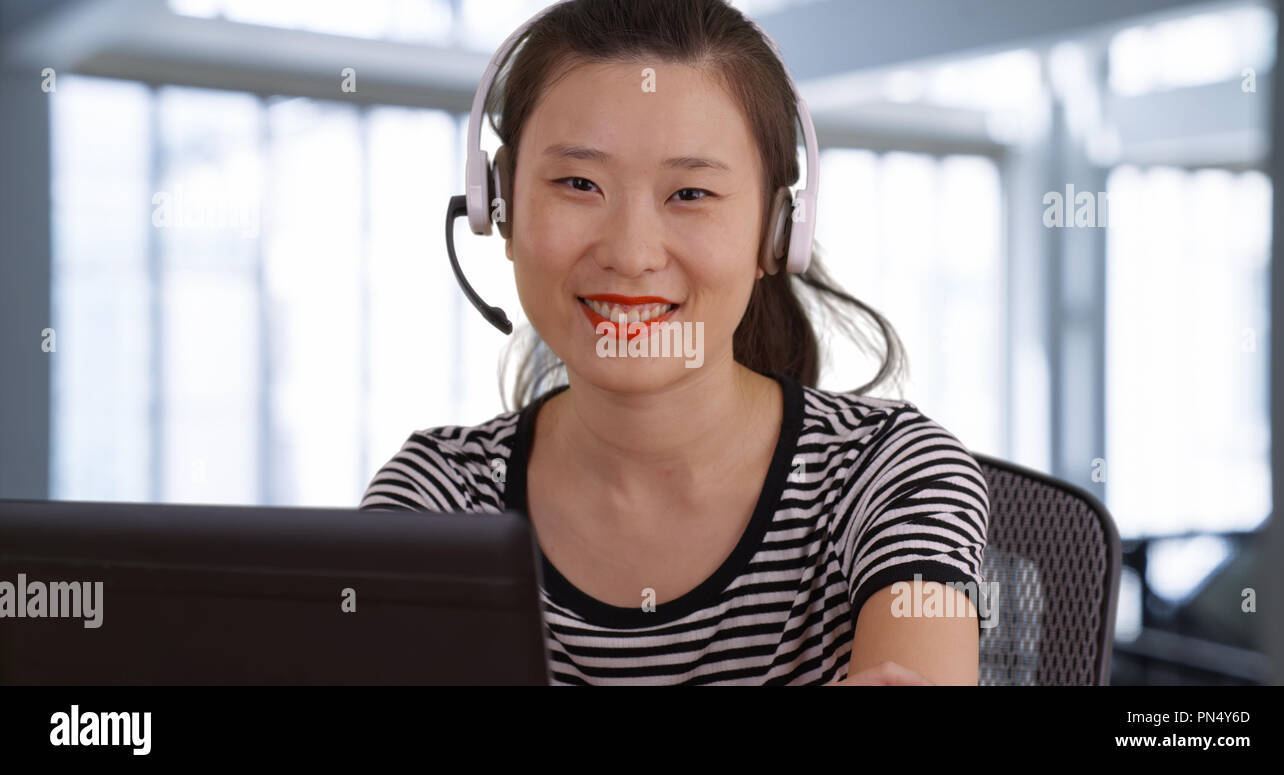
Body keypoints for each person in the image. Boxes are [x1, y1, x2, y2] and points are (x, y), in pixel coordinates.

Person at [363, 0, 989, 686]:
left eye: (690, 192)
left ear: (778, 233)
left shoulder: (889, 474)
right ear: (499, 208)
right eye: (578, 183)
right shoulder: (439, 500)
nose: (631, 254)